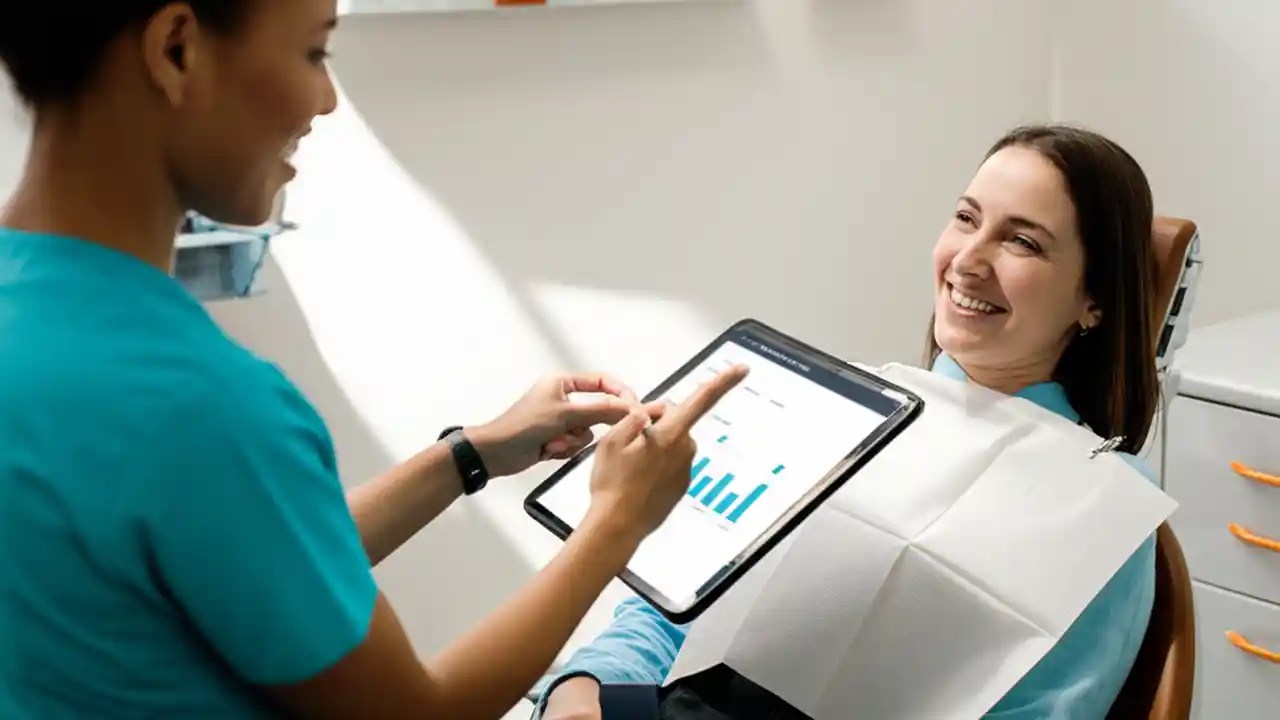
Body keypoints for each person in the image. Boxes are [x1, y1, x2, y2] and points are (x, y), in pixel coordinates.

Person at [0, 2, 748, 719]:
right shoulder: (197, 404)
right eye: (313, 51)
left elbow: (253, 550)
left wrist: (469, 454)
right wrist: (617, 521)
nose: (324, 100)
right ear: (176, 49)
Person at [537, 123, 1161, 720]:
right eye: (966, 218)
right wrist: (584, 686)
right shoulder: (836, 406)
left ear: (1095, 300)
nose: (968, 259)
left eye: (1022, 241)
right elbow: (675, 604)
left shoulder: (1102, 506)